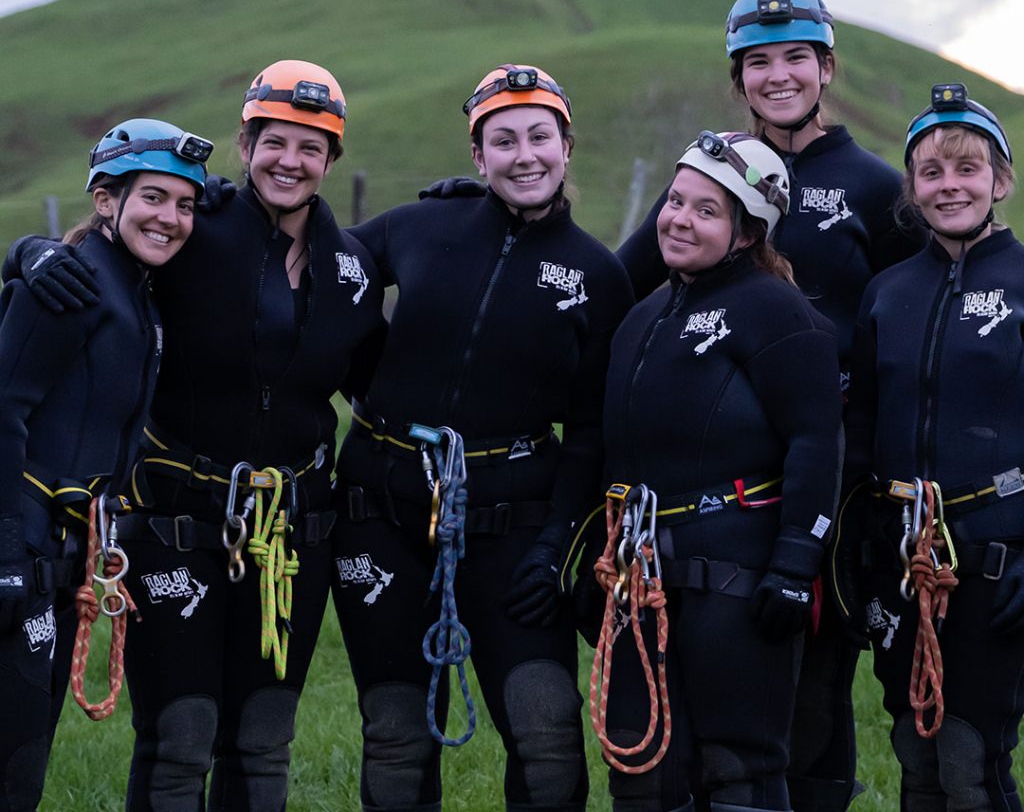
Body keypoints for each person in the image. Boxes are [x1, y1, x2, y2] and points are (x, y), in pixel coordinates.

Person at [6, 60, 385, 812]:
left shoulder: (353, 268)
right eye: (276, 141)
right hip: (175, 523)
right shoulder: (193, 226)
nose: (291, 161)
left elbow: (383, 376)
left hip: (291, 534)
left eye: (313, 148)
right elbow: (93, 262)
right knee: (179, 737)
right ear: (245, 144)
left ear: (332, 161)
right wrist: (28, 249)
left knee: (265, 737)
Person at [617, 0, 922, 811]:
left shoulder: (870, 185)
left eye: (796, 57)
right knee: (715, 701)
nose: (778, 76)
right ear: (737, 76)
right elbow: (620, 280)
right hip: (721, 490)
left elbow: (931, 310)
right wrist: (500, 214)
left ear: (827, 66)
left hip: (838, 471)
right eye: (758, 61)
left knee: (817, 680)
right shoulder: (706, 174)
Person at [332, 63, 635, 812]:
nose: (524, 155)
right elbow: (318, 278)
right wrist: (371, 389)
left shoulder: (597, 273)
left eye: (540, 136)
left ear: (568, 146)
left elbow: (595, 428)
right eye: (503, 141)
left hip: (517, 521)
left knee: (547, 730)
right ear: (477, 156)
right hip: (380, 509)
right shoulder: (417, 226)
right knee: (397, 731)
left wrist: (557, 540)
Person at [599, 131, 843, 812]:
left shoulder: (779, 313)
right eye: (674, 201)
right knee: (642, 766)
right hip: (640, 573)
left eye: (707, 210)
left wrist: (797, 563)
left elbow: (816, 439)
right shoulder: (643, 315)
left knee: (739, 768)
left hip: (736, 577)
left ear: (745, 231)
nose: (679, 219)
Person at [0, 118, 209, 812]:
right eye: (153, 198)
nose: (171, 218)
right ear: (104, 198)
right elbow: (4, 407)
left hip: (60, 557)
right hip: (19, 554)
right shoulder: (69, 282)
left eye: (184, 204)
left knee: (22, 767)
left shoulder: (138, 294)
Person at [841, 83, 1023, 812]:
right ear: (911, 188)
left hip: (995, 558)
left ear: (1000, 180)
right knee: (914, 753)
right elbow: (863, 424)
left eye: (967, 167)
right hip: (902, 557)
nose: (950, 185)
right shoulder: (886, 291)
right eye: (931, 172)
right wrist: (854, 539)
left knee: (971, 763)